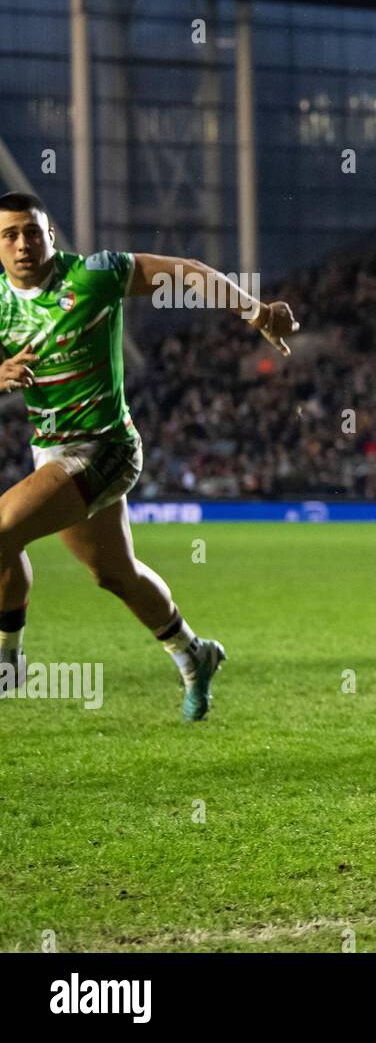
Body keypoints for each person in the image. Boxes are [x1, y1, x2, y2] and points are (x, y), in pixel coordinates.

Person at [0, 191, 298, 720]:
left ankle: (8, 665)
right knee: (114, 573)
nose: (23, 243)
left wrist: (256, 312)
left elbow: (184, 272)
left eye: (32, 231)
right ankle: (194, 653)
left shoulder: (93, 276)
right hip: (52, 454)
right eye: (9, 234)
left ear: (51, 234)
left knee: (3, 530)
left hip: (107, 448)